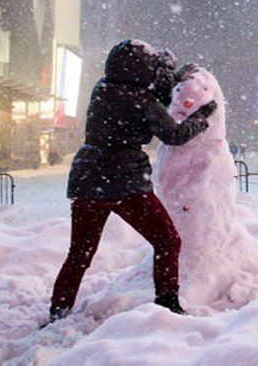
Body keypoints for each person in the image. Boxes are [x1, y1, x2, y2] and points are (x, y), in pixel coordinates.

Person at [47, 40, 216, 325]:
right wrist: (200, 118)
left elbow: (139, 97)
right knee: (167, 240)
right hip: (124, 182)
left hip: (88, 178)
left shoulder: (102, 89)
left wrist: (169, 80)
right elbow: (173, 135)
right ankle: (168, 303)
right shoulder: (142, 101)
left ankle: (59, 311)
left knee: (80, 253)